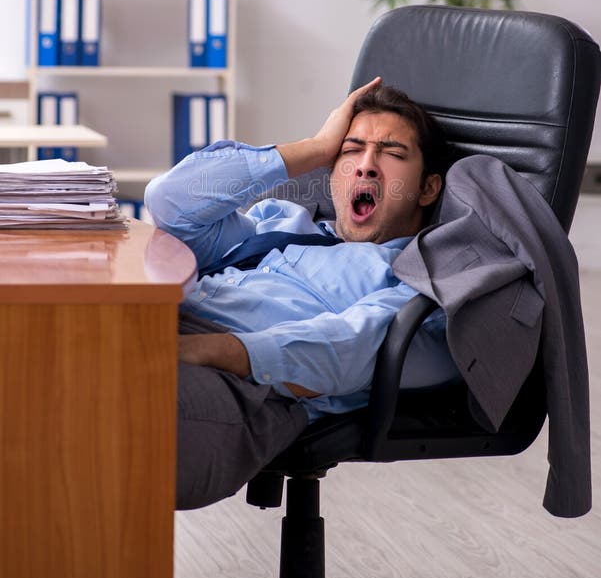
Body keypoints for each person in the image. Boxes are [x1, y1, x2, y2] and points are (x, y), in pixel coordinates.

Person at [144, 78, 459, 509]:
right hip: (165, 325)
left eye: (392, 153)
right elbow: (170, 201)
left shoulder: (411, 277)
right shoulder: (281, 222)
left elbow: (351, 347)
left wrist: (201, 349)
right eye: (350, 151)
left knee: (94, 408)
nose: (366, 165)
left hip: (241, 384)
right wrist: (313, 147)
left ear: (427, 187)